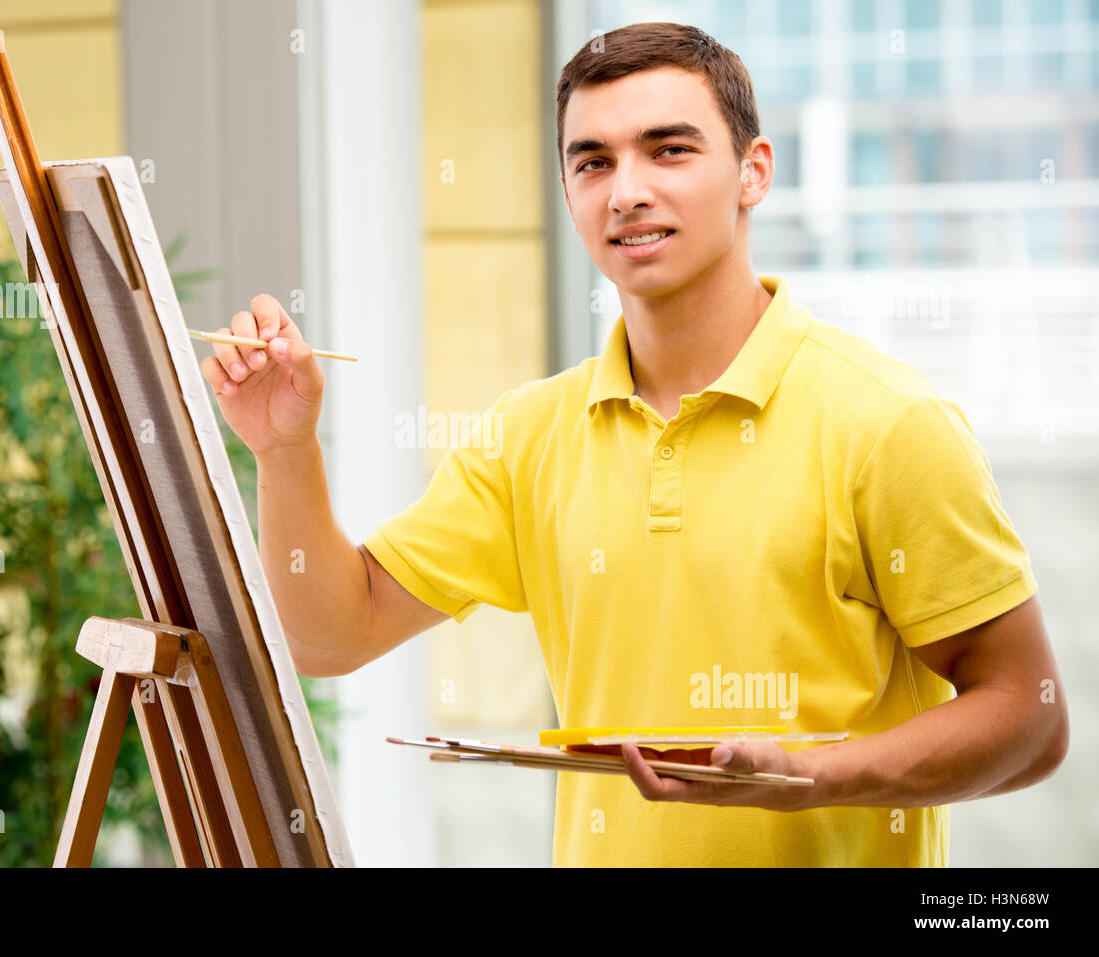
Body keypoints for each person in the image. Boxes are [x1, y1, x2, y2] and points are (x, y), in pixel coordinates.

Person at [199, 22, 1068, 867]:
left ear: (752, 173)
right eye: (594, 161)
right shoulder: (527, 434)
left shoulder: (886, 422)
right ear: (571, 195)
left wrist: (810, 776)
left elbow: (1028, 715)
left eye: (670, 149)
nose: (626, 190)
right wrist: (285, 449)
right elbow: (330, 636)